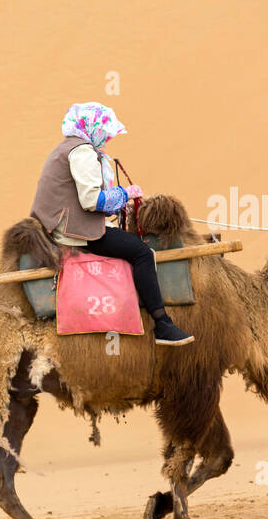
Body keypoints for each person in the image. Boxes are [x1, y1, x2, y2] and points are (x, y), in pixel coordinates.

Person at [30, 102, 194, 346]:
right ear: (93, 128)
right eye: (105, 132)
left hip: (60, 224)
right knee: (142, 254)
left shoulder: (68, 147)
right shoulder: (83, 152)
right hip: (71, 232)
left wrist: (119, 203)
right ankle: (162, 324)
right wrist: (125, 194)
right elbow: (91, 201)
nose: (107, 138)